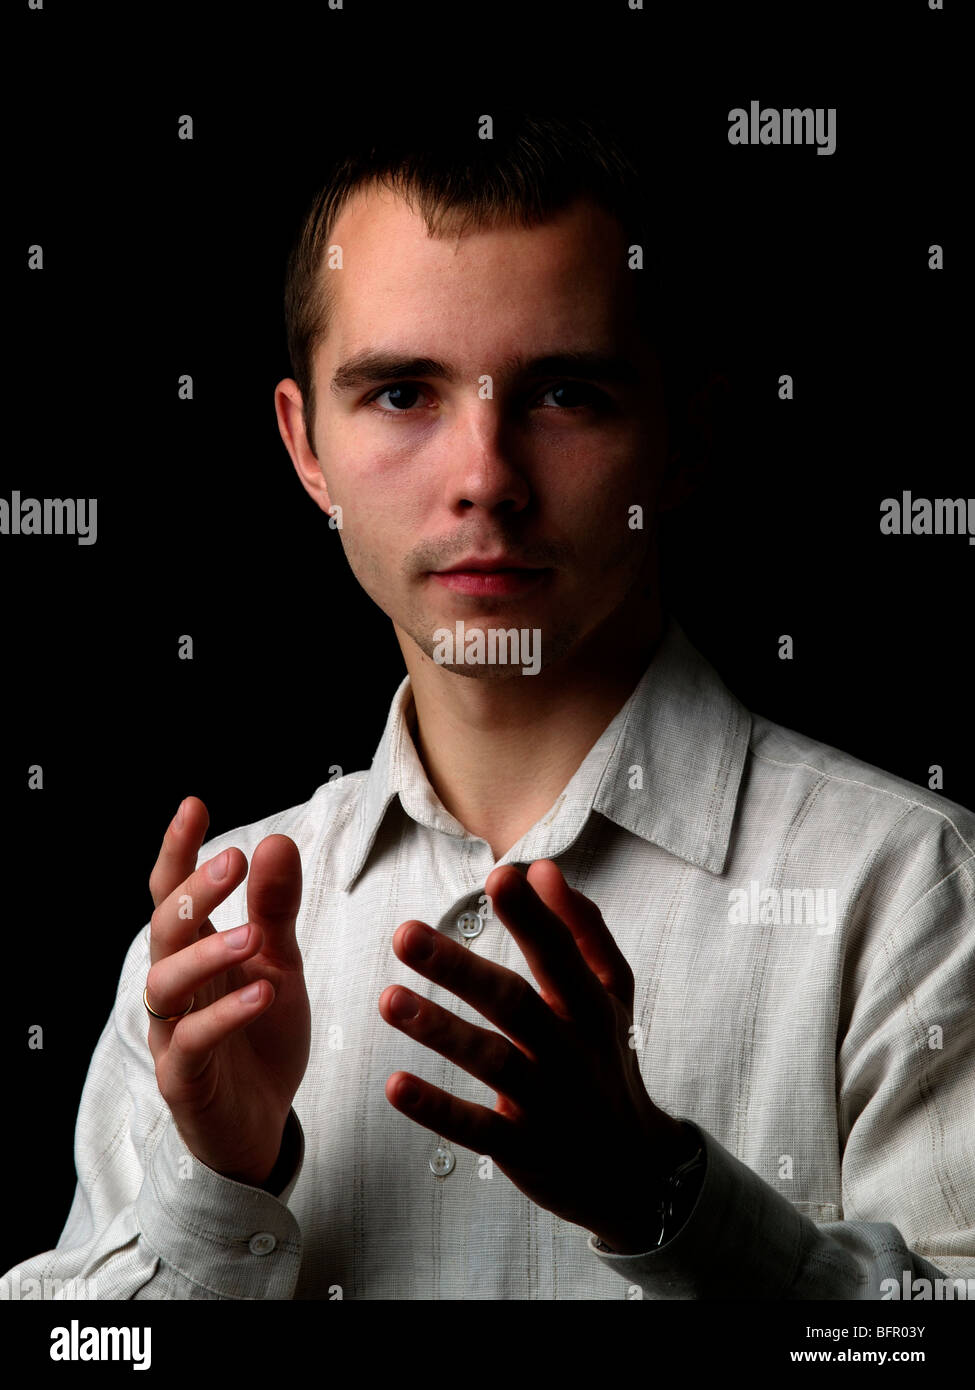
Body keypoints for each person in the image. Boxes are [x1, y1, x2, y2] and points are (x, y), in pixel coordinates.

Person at [3, 115, 972, 1301]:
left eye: (566, 392)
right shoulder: (208, 949)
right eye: (402, 392)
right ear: (307, 448)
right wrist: (217, 1179)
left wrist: (668, 1196)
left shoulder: (908, 883)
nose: (484, 478)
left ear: (686, 437)